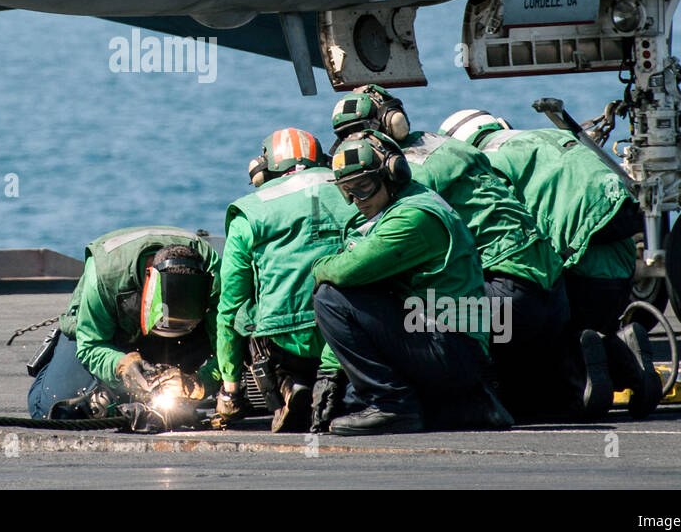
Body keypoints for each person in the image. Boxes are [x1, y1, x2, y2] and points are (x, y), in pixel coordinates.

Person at [332, 87, 591, 419]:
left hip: (499, 302)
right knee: (538, 407)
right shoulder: (445, 145)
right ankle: (602, 360)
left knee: (392, 301)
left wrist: (330, 369)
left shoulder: (408, 177)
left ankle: (413, 402)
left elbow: (362, 256)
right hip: (551, 294)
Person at [442, 110, 661, 417]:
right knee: (585, 325)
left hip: (577, 255)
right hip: (619, 259)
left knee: (543, 331)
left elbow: (511, 235)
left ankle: (579, 387)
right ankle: (626, 355)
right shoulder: (547, 136)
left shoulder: (485, 164)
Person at [311, 131, 513, 435]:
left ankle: (392, 405)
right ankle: (465, 406)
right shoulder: (407, 203)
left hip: (450, 345)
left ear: (393, 173)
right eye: (346, 191)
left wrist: (319, 266)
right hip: (451, 342)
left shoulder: (413, 218)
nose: (355, 201)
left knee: (330, 297)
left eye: (363, 187)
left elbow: (343, 272)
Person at [216, 128, 362, 432]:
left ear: (262, 171)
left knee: (243, 314)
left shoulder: (249, 213)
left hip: (285, 343)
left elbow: (230, 306)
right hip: (349, 336)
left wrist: (230, 389)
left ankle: (286, 386)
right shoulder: (356, 187)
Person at [28, 226, 221, 421]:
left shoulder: (214, 274)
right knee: (50, 411)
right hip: (106, 337)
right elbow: (92, 345)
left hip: (187, 340)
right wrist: (120, 366)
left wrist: (200, 384)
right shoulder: (104, 273)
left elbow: (228, 346)